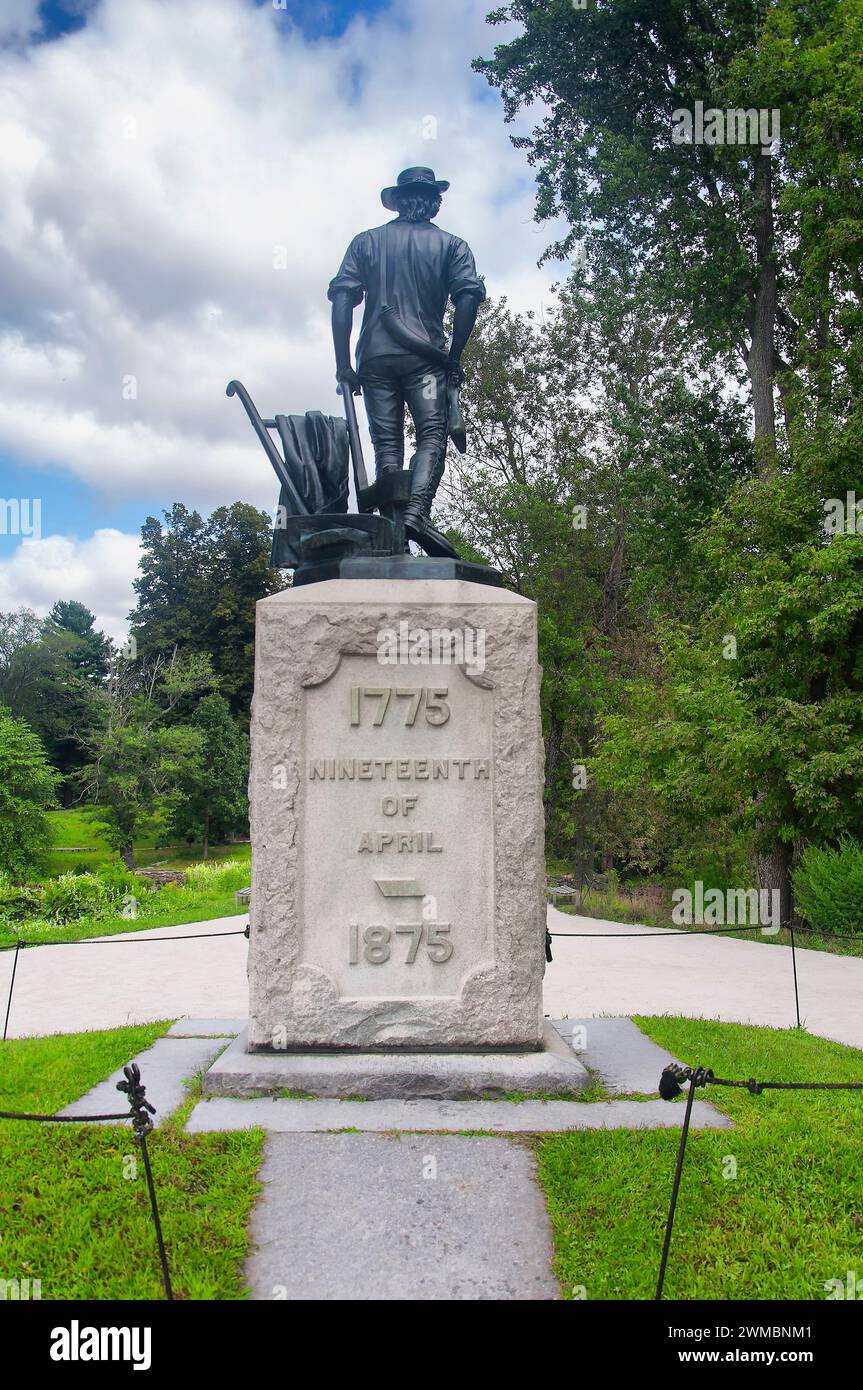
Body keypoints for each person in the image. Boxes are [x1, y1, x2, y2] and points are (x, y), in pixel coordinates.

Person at [328, 167, 485, 544]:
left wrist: (343, 364)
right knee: (432, 433)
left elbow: (343, 300)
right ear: (434, 201)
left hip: (375, 358)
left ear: (397, 201)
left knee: (387, 443)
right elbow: (467, 299)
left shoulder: (365, 242)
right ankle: (415, 513)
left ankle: (393, 532)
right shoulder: (453, 246)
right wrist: (454, 357)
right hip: (425, 362)